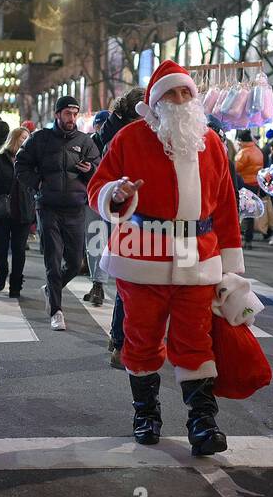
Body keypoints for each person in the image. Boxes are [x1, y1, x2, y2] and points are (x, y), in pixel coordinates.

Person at [87, 61, 245, 456]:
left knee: (196, 341)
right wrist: (116, 194)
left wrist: (231, 267)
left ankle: (203, 421)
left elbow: (226, 207)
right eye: (170, 94)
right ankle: (146, 413)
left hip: (198, 256)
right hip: (142, 254)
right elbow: (98, 189)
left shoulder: (210, 143)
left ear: (194, 98)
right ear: (154, 102)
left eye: (185, 93)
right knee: (140, 341)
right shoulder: (128, 139)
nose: (179, 100)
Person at [15, 96, 100, 330]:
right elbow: (20, 165)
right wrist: (38, 184)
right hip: (48, 207)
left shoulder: (85, 142)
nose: (72, 118)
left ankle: (52, 289)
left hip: (75, 208)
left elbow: (99, 171)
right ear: (57, 114)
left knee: (73, 263)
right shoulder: (40, 139)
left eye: (75, 114)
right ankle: (56, 311)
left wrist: (90, 170)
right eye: (67, 113)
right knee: (53, 261)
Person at [97, 90, 144, 366]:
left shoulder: (121, 132)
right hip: (124, 211)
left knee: (132, 279)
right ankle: (120, 341)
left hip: (131, 213)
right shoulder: (123, 138)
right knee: (128, 279)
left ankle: (122, 340)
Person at [0, 124, 35, 298]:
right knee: (0, 247)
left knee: (19, 249)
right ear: (14, 139)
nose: (26, 141)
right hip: (1, 211)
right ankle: (2, 272)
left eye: (28, 138)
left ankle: (16, 284)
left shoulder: (32, 160)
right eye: (22, 138)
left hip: (23, 210)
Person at [82, 110, 114, 307]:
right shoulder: (89, 143)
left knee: (109, 244)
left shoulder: (119, 143)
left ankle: (99, 283)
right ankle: (98, 284)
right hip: (93, 199)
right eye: (102, 124)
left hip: (115, 201)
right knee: (95, 242)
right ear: (96, 126)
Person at [234, 129, 264, 250]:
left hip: (244, 184)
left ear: (241, 141)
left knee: (242, 211)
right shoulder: (258, 151)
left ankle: (241, 237)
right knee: (250, 212)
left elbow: (235, 168)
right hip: (255, 184)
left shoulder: (243, 153)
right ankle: (249, 239)